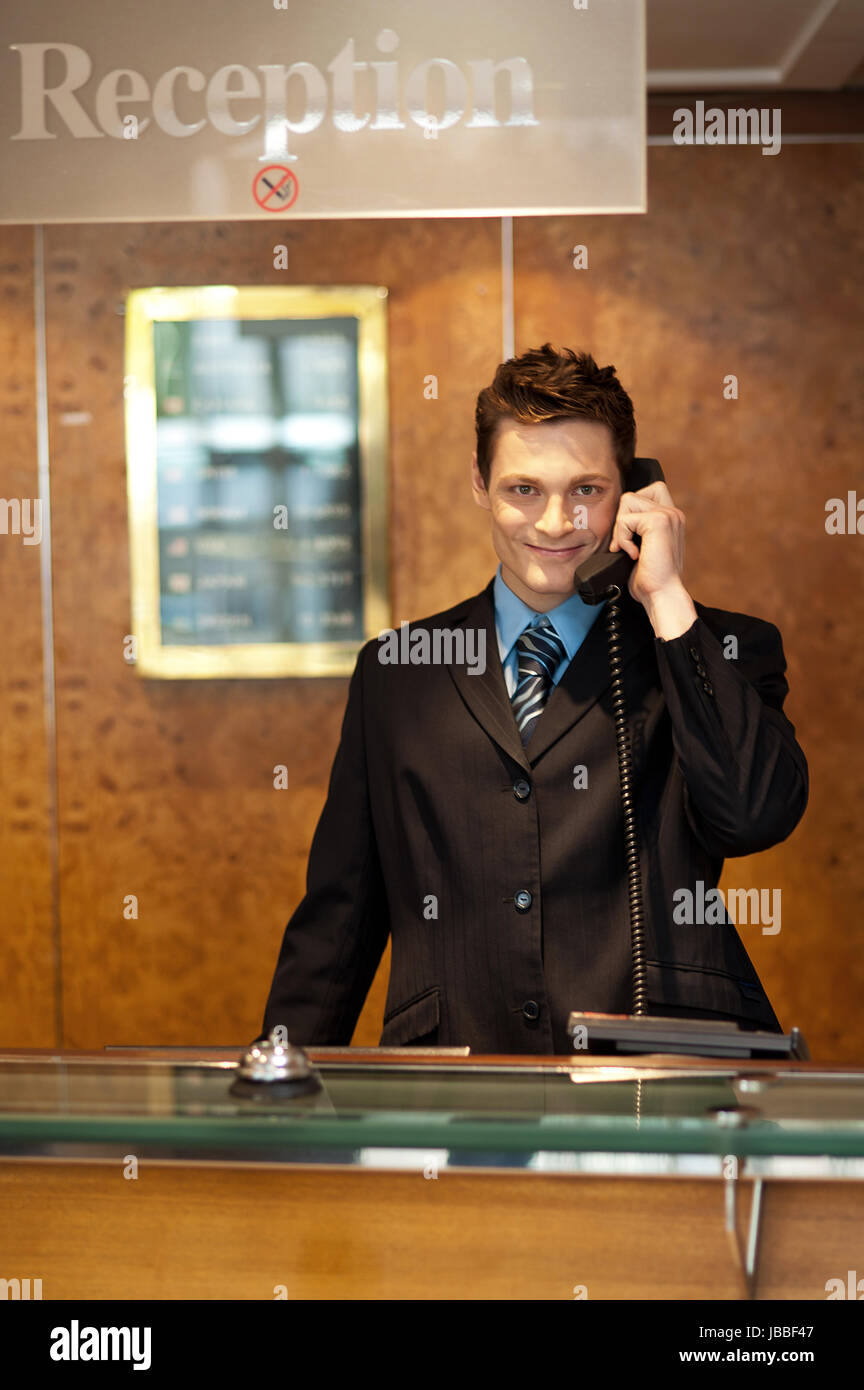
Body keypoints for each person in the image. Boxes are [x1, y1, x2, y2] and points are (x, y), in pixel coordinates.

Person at [260, 345, 808, 1054]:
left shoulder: (713, 646)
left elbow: (752, 816)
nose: (555, 523)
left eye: (587, 490)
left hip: (664, 1080)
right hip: (463, 1081)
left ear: (634, 493)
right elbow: (341, 916)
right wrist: (274, 1084)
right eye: (524, 490)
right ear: (480, 484)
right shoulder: (396, 672)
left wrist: (668, 598)